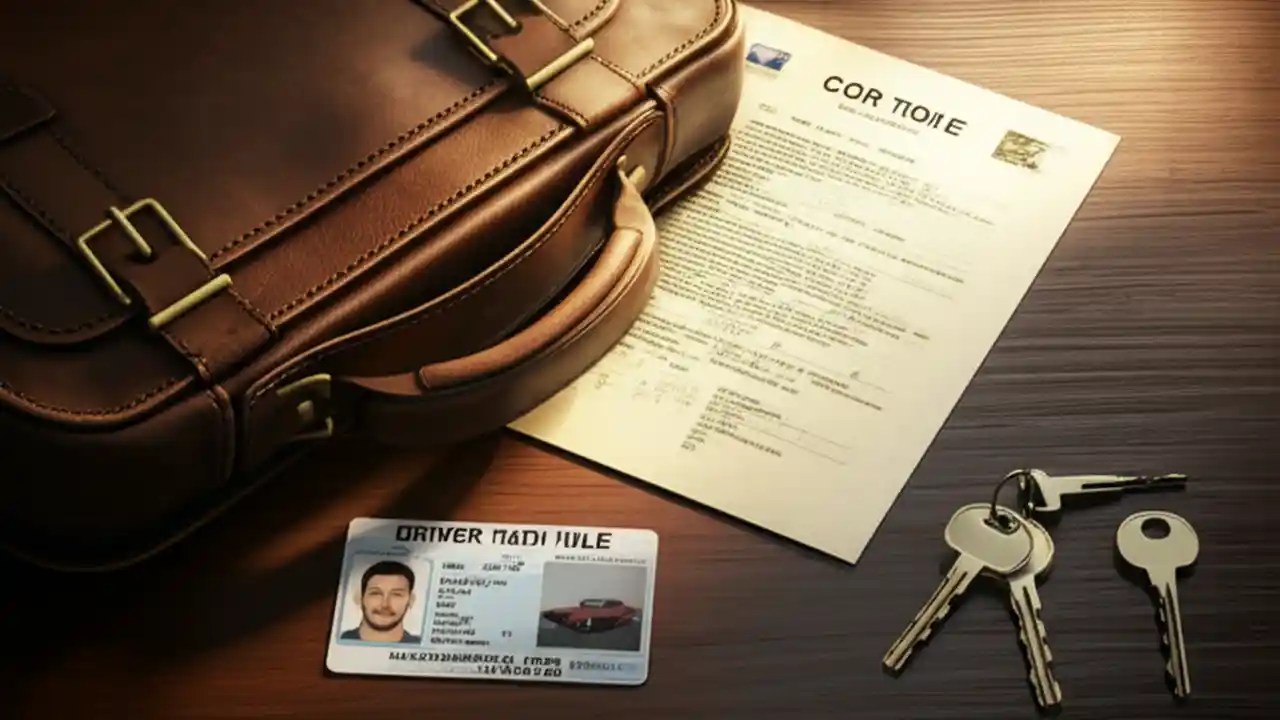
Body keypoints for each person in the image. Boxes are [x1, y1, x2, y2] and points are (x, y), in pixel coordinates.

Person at [340, 560, 421, 644]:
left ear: (411, 600)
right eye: (376, 593)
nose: (385, 604)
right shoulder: (338, 642)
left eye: (396, 594)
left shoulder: (421, 646)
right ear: (360, 597)